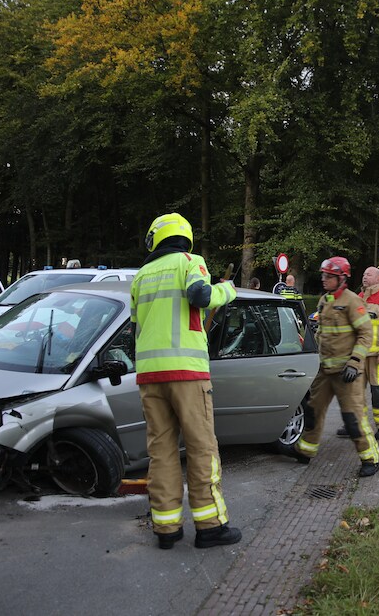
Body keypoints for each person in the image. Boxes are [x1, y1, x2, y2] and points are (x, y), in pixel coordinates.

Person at [130, 212, 241, 550]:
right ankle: (210, 527)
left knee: (161, 451)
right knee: (201, 448)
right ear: (185, 237)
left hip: (150, 376)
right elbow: (200, 296)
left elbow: (136, 327)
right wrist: (226, 290)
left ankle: (166, 529)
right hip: (187, 374)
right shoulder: (190, 261)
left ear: (155, 239)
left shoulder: (140, 276)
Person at [280, 256, 379, 477]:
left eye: (329, 276)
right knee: (312, 411)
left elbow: (366, 334)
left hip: (347, 373)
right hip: (325, 371)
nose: (324, 279)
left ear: (341, 278)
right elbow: (321, 334)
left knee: (353, 419)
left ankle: (370, 459)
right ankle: (305, 450)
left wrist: (355, 362)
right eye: (324, 275)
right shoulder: (324, 300)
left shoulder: (352, 301)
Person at [337, 266, 379, 439]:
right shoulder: (359, 297)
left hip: (377, 357)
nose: (364, 276)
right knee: (354, 391)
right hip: (359, 356)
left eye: (369, 274)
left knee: (378, 392)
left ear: (378, 278)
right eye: (364, 274)